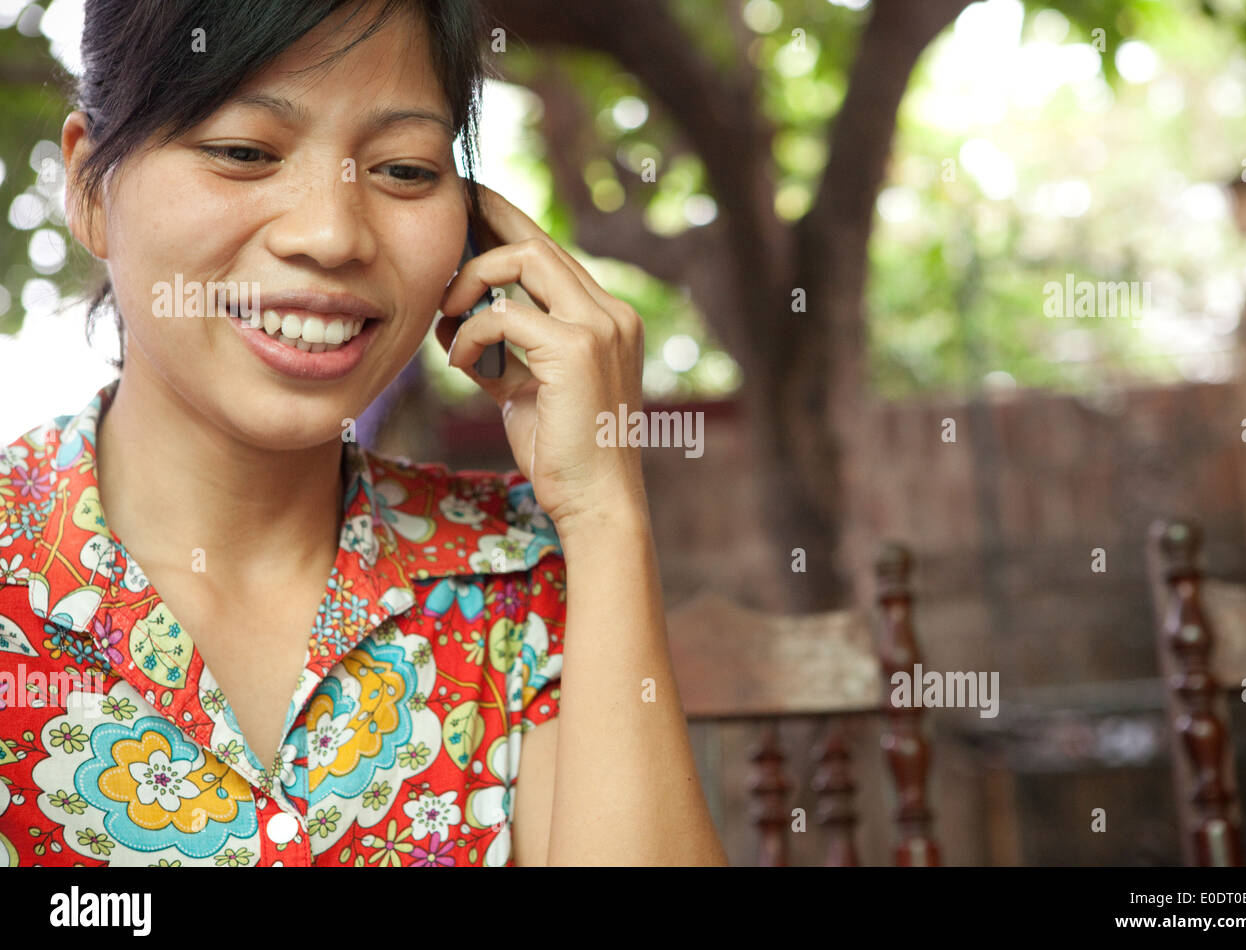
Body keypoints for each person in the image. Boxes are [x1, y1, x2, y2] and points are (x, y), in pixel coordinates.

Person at [0, 0, 726, 867]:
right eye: (243, 152)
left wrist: (605, 513)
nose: (332, 235)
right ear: (89, 187)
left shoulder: (521, 576)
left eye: (406, 171)